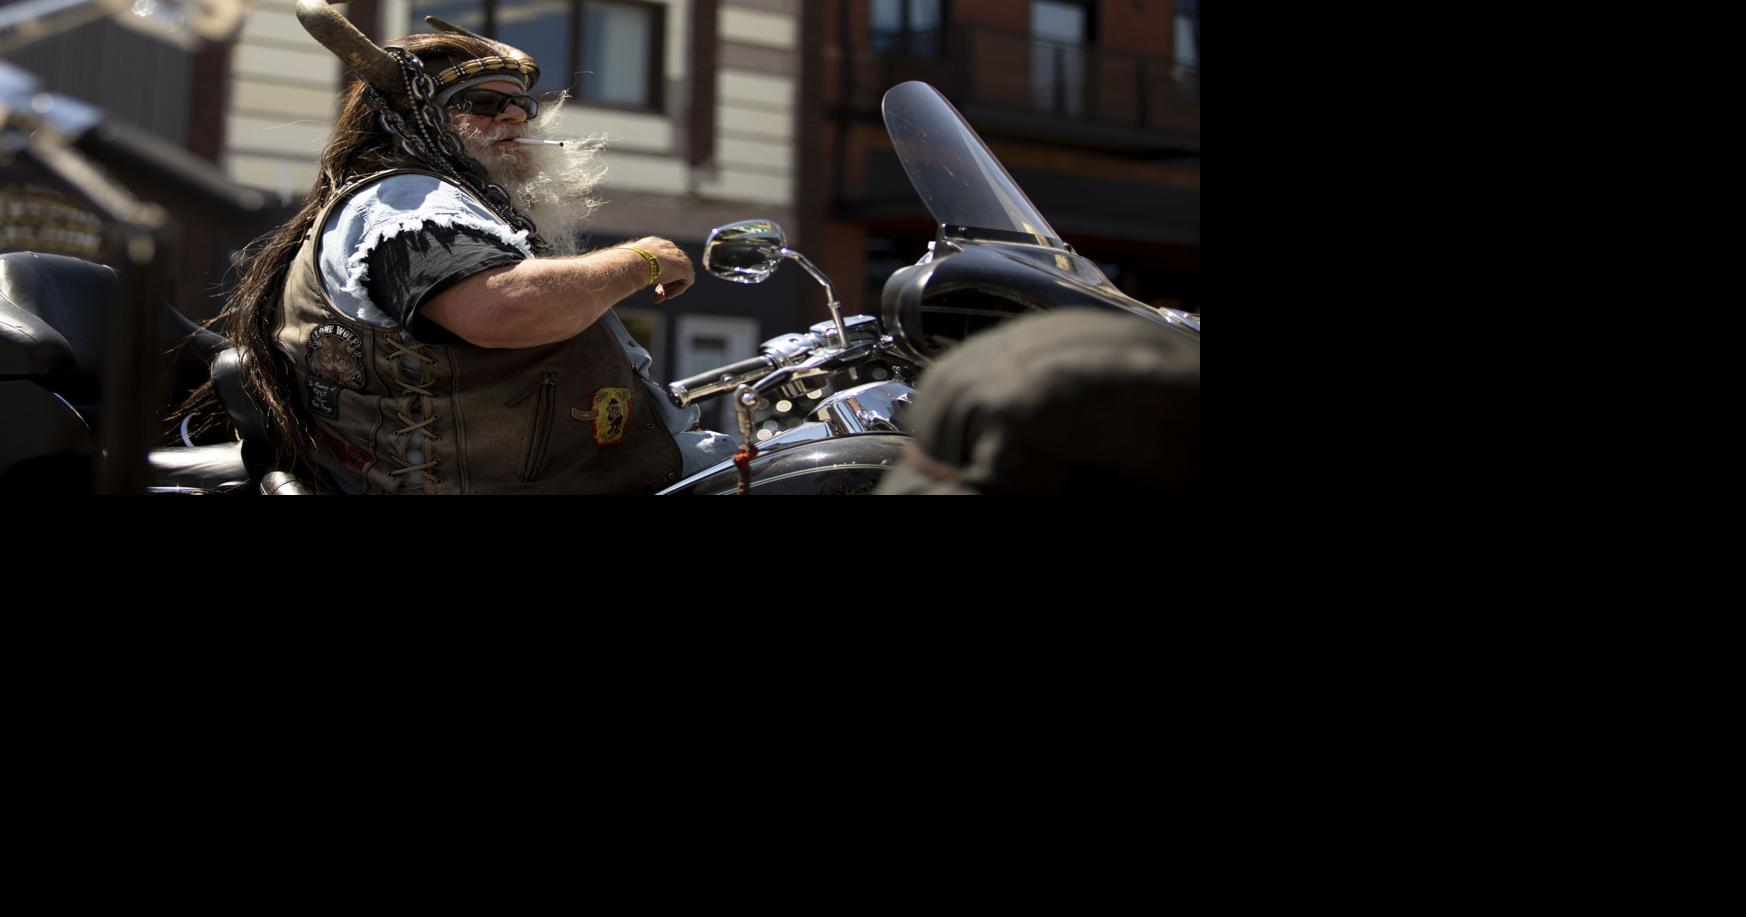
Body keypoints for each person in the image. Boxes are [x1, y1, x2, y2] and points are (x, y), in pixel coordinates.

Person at [208, 3, 734, 493]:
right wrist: (641, 258)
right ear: (415, 118)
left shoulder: (444, 201)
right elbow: (501, 308)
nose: (512, 118)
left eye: (520, 105)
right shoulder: (406, 202)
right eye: (481, 104)